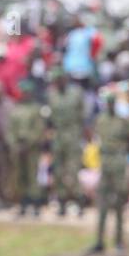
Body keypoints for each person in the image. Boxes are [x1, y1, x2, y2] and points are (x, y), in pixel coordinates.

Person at [89, 90, 129, 254]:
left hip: (119, 161)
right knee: (102, 203)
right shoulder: (100, 120)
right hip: (105, 162)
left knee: (120, 201)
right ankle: (99, 241)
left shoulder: (123, 121)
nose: (111, 105)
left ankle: (119, 241)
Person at [47, 71, 87, 217]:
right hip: (58, 135)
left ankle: (79, 200)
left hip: (73, 134)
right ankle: (62, 201)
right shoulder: (52, 95)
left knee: (73, 169)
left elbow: (83, 115)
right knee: (58, 170)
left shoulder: (76, 93)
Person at [7, 81, 47, 217]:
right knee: (19, 177)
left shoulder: (36, 110)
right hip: (18, 149)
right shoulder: (16, 110)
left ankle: (35, 205)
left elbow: (39, 130)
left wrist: (28, 143)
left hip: (32, 149)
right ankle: (22, 204)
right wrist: (15, 144)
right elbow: (10, 130)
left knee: (32, 176)